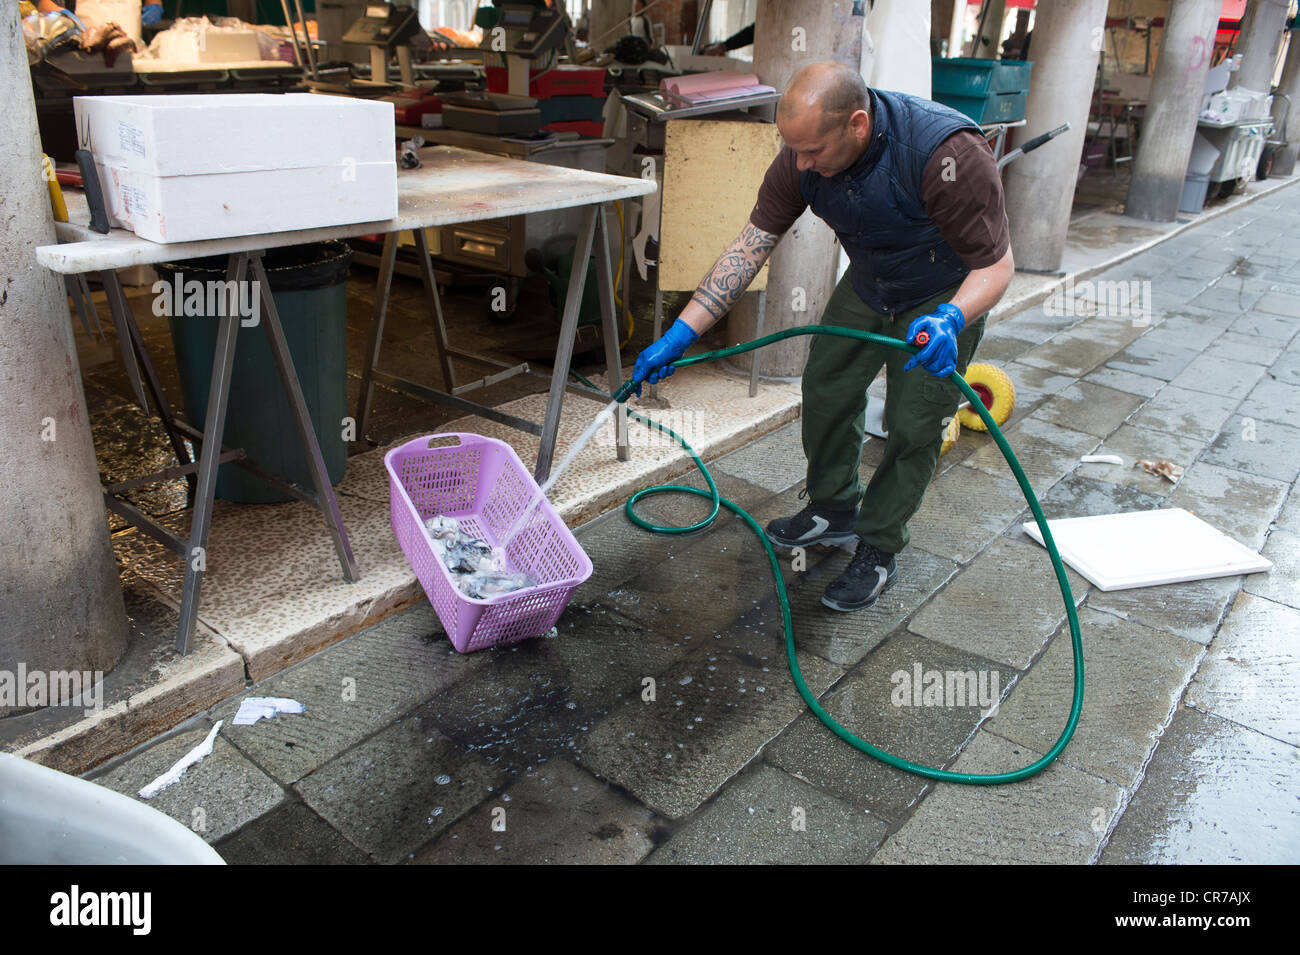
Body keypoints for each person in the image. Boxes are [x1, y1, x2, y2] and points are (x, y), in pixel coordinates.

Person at [631, 61, 1014, 612]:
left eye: (813, 152)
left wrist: (953, 319)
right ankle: (835, 508)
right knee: (828, 384)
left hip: (944, 293)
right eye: (794, 150)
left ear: (857, 125)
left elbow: (998, 267)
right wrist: (680, 333)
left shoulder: (946, 154)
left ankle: (879, 545)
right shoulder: (799, 156)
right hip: (869, 281)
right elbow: (750, 247)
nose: (801, 163)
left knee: (915, 421)